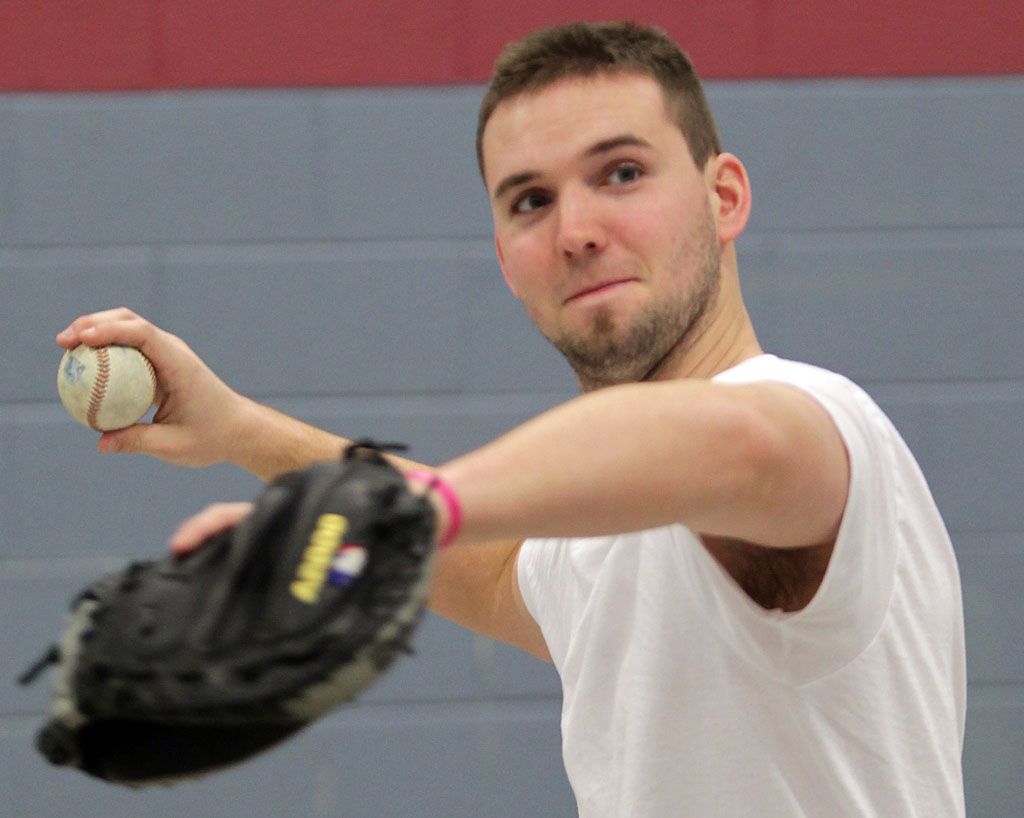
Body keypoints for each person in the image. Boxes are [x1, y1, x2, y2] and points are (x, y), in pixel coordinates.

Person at [55, 21, 966, 818]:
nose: (575, 229)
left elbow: (728, 448)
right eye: (532, 199)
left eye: (621, 172)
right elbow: (494, 576)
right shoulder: (600, 535)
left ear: (723, 198)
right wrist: (237, 429)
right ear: (504, 258)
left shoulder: (816, 423)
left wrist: (389, 512)